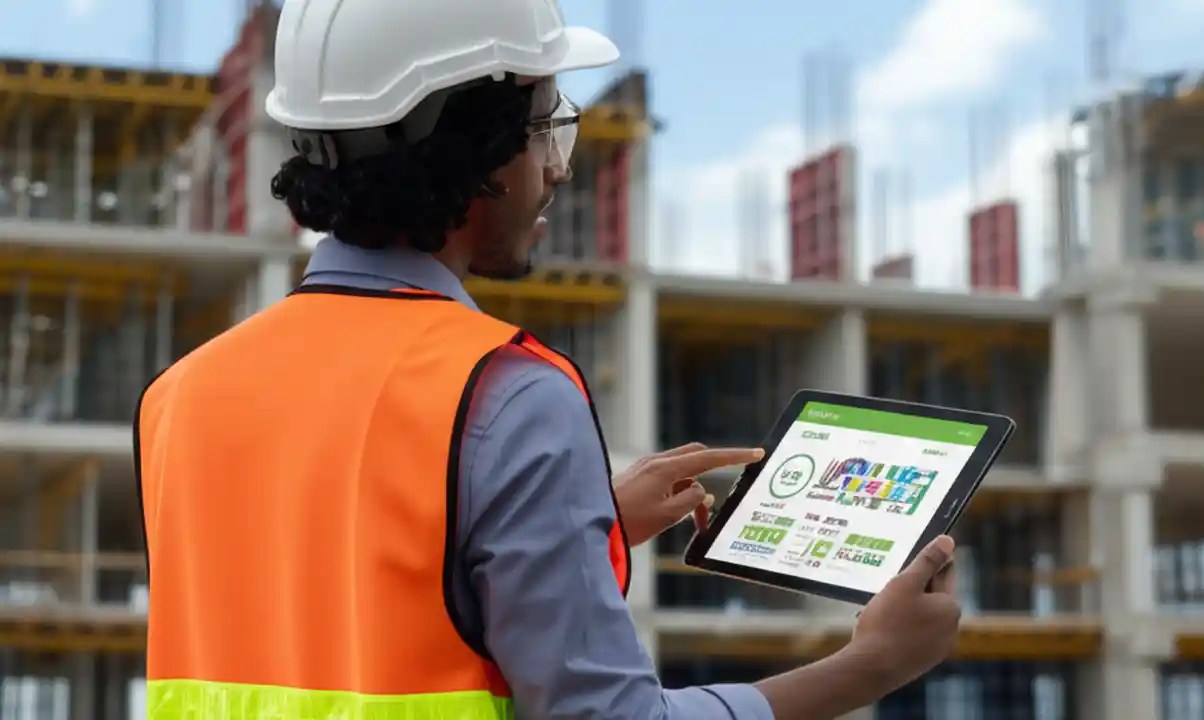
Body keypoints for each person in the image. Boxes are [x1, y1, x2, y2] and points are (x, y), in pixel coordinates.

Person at [133, 1, 963, 718]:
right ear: (473, 150)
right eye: (543, 130)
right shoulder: (506, 393)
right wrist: (873, 665)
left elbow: (336, 605)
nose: (559, 166)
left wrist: (578, 530)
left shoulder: (178, 395)